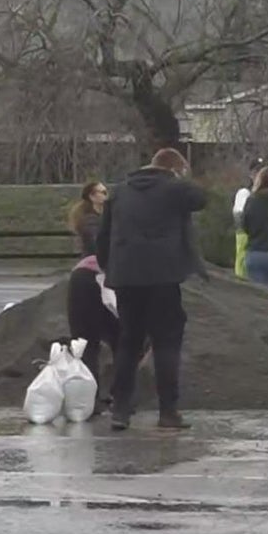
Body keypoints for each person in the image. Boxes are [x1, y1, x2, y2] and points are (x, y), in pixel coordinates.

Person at [96, 148, 207, 431]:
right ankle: (168, 412)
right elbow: (201, 199)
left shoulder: (119, 192)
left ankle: (120, 410)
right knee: (166, 342)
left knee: (129, 341)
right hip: (163, 275)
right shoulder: (174, 189)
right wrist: (182, 178)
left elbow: (103, 235)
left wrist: (110, 267)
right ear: (175, 170)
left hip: (126, 276)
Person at [66, 255, 119, 416]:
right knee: (126, 342)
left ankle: (89, 400)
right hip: (117, 277)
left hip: (82, 276)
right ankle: (121, 398)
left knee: (85, 343)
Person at [231, 158, 264, 278]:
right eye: (257, 172)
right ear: (251, 174)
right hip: (246, 234)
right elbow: (239, 216)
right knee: (242, 263)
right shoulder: (245, 193)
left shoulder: (265, 194)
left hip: (260, 237)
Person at [68, 181, 109, 257]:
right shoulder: (89, 221)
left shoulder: (103, 215)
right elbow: (96, 245)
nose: (107, 196)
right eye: (103, 192)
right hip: (94, 261)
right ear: (92, 196)